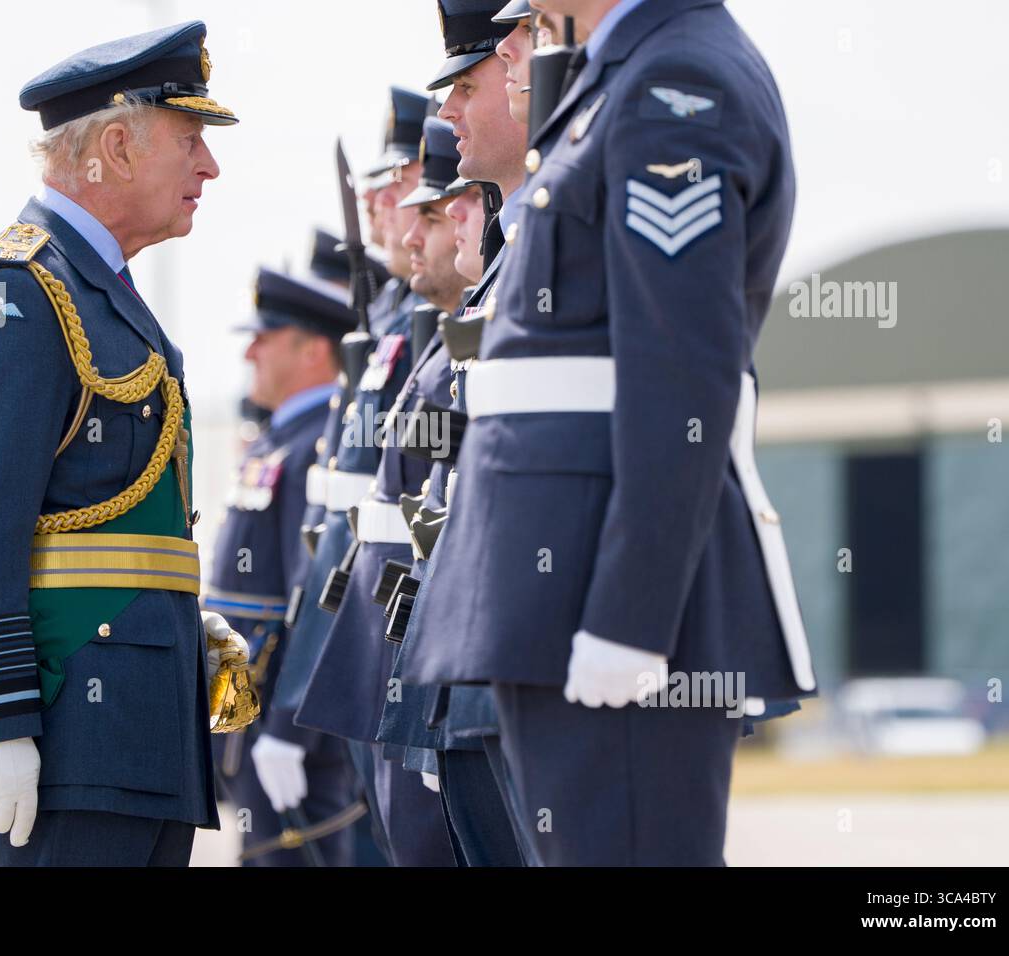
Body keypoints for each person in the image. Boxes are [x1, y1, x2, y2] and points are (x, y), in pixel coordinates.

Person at [405, 0, 816, 865]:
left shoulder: (677, 80)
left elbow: (682, 375)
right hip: (556, 584)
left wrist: (632, 615)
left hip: (602, 590)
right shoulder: (625, 74)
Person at [0, 21, 251, 867]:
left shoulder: (97, 292)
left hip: (134, 729)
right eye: (191, 140)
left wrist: (168, 618)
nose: (209, 167)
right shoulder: (22, 295)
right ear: (117, 147)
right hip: (63, 734)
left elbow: (99, 522)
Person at [374, 0, 537, 867]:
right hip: (462, 638)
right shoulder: (510, 267)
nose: (449, 111)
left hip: (521, 639)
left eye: (467, 85)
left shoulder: (553, 237)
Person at [294, 117, 476, 866]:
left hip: (431, 629)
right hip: (385, 622)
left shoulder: (445, 323)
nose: (395, 223)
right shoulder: (412, 326)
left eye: (428, 209)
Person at [260, 86, 432, 863]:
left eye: (394, 187)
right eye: (374, 191)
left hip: (406, 652)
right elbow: (336, 538)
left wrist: (294, 706)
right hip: (365, 646)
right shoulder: (393, 322)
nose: (375, 208)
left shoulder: (418, 321)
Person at [206, 268, 363, 866]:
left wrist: (291, 730)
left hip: (288, 715)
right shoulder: (281, 439)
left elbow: (320, 591)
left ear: (313, 349)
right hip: (251, 705)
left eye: (266, 337)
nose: (250, 351)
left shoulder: (316, 444)